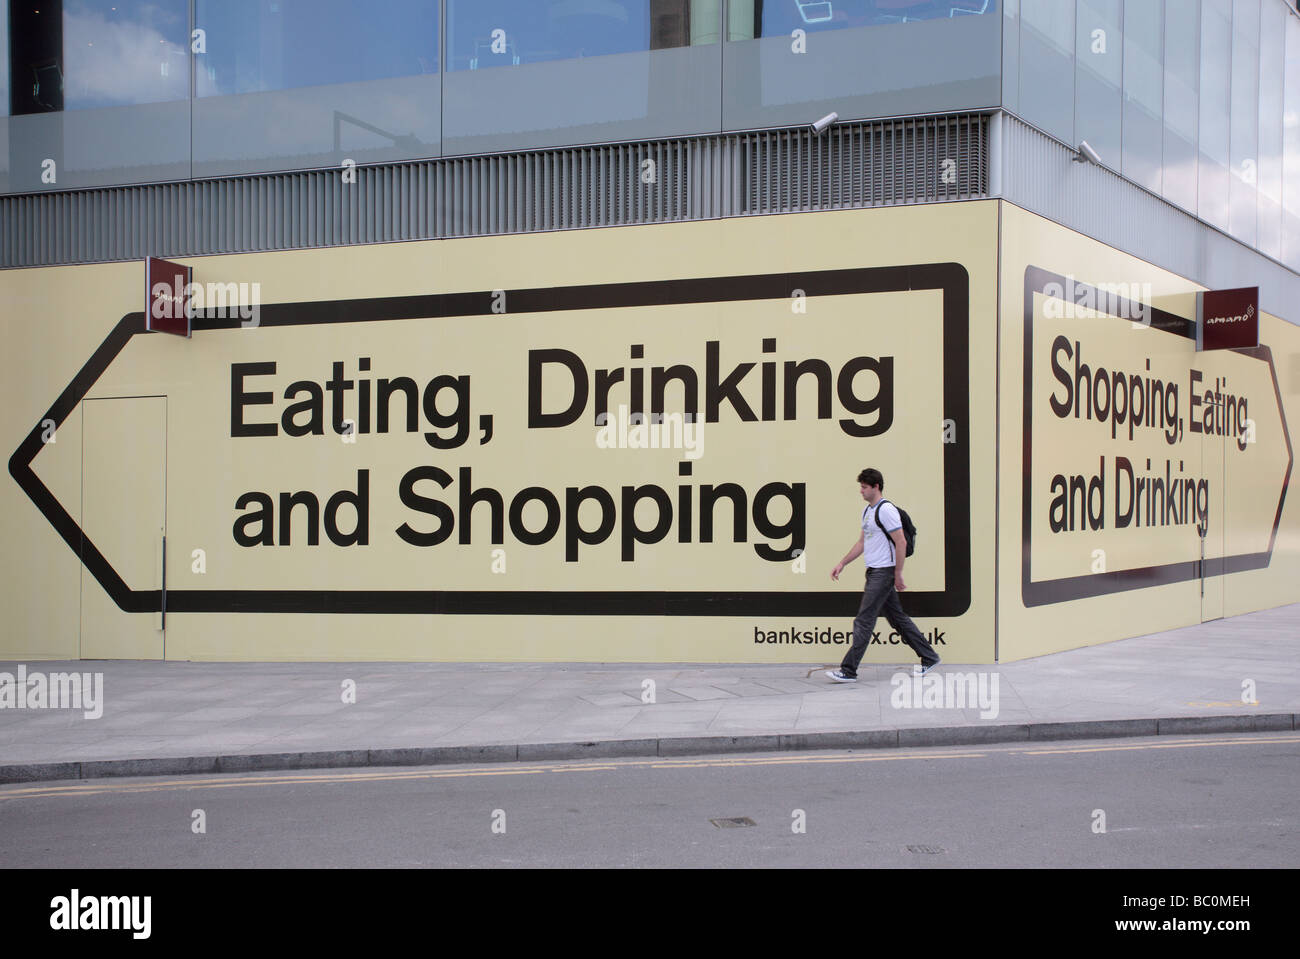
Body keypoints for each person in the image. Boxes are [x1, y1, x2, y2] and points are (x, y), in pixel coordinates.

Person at [826, 468, 940, 682]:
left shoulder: (886, 510)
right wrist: (843, 563)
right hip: (875, 572)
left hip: (884, 572)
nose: (861, 491)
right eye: (861, 487)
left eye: (864, 487)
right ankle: (929, 656)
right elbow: (862, 543)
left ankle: (848, 670)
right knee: (898, 619)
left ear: (876, 486)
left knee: (864, 620)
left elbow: (901, 542)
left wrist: (897, 573)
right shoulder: (867, 511)